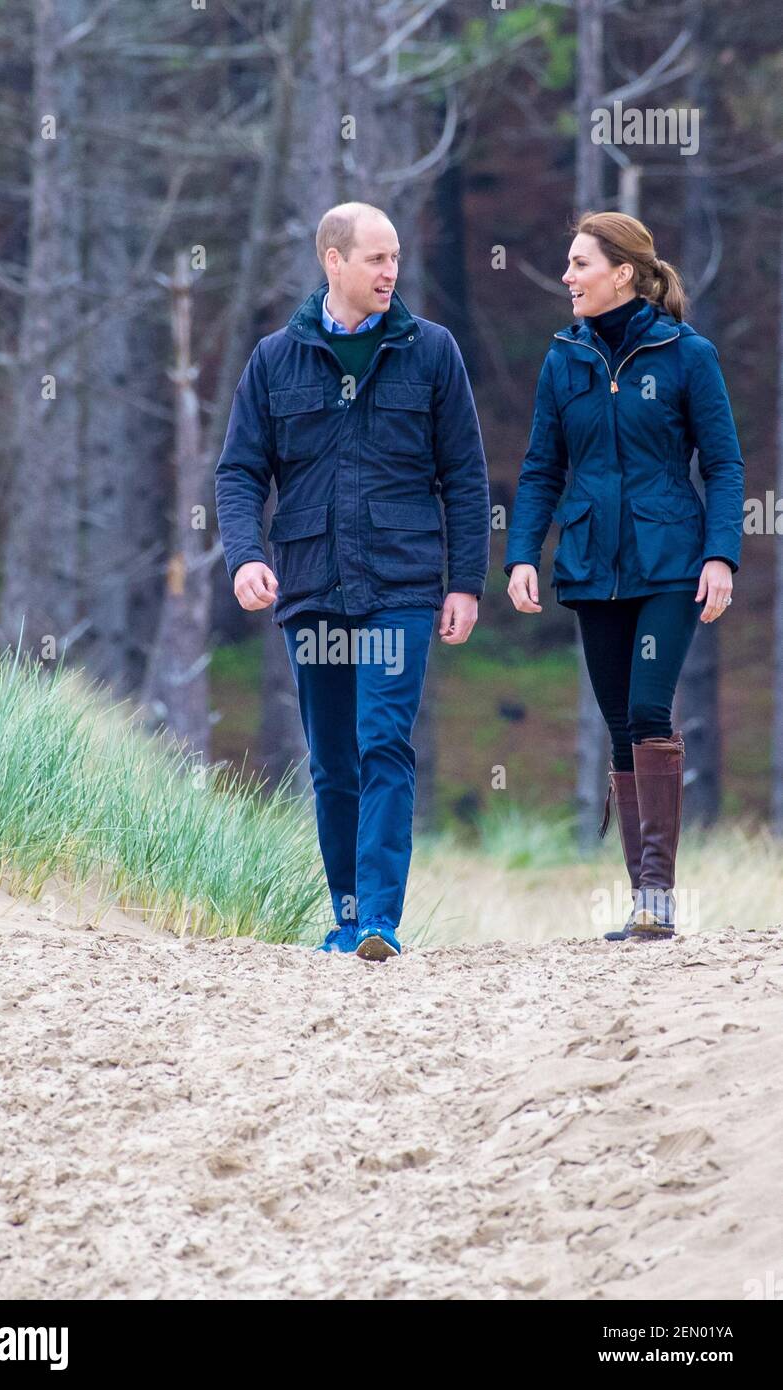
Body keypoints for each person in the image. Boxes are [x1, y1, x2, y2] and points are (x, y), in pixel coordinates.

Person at [216, 202, 491, 960]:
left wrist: (464, 580)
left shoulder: (431, 352)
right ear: (333, 262)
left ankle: (378, 920)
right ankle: (344, 917)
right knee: (333, 759)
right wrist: (245, 556)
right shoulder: (276, 359)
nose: (390, 271)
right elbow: (240, 471)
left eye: (395, 257)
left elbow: (465, 476)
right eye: (374, 258)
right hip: (310, 587)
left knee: (384, 743)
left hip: (402, 586)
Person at [504, 211, 744, 941]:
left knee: (647, 710)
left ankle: (659, 900)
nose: (568, 277)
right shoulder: (563, 361)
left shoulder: (686, 355)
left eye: (580, 264)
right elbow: (543, 466)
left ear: (624, 274)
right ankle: (642, 900)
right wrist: (521, 553)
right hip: (589, 565)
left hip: (670, 563)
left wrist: (721, 555)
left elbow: (725, 464)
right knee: (618, 728)